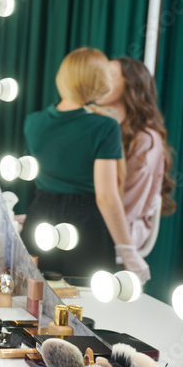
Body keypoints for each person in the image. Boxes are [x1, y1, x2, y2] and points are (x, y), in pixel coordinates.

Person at [20, 47, 151, 283]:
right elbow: (106, 197)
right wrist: (129, 252)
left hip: (40, 218)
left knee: (35, 301)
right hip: (85, 224)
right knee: (88, 310)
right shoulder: (104, 127)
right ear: (98, 81)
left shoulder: (33, 122)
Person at [98, 56, 177, 249]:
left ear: (131, 84)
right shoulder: (99, 127)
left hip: (124, 228)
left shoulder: (146, 139)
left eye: (110, 75)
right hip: (98, 218)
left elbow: (130, 204)